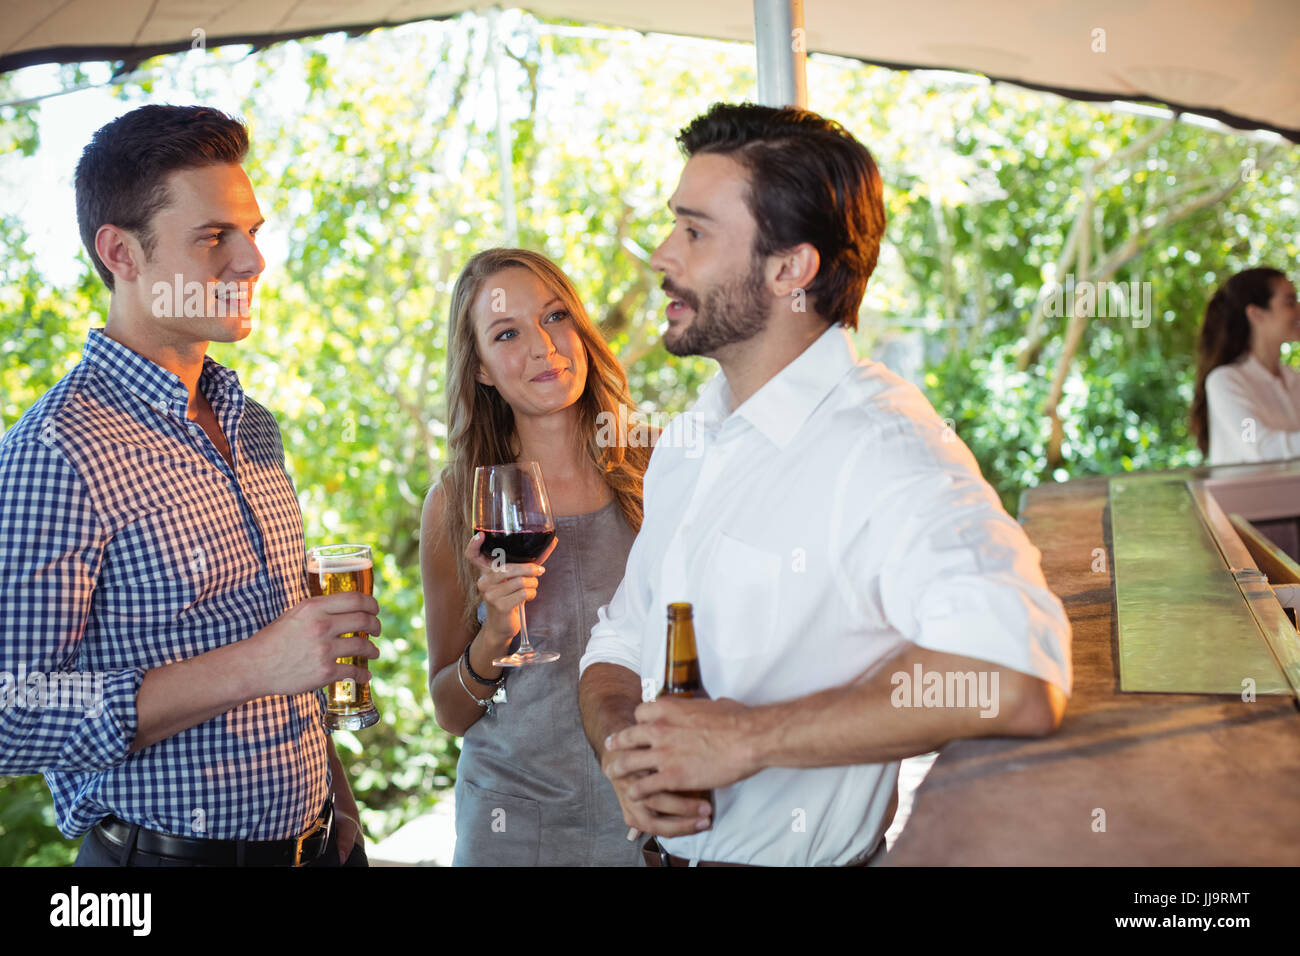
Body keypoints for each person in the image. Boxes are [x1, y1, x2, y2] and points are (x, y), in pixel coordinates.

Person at [578, 102, 1073, 867]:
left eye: (694, 231)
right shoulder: (690, 438)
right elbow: (619, 636)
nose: (661, 254)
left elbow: (1011, 677)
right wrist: (624, 746)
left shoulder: (884, 449)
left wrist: (750, 738)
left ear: (790, 269)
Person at [0, 105, 379, 866]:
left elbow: (293, 657)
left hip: (318, 844)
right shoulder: (58, 448)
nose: (252, 261)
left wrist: (338, 810)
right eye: (214, 237)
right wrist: (257, 663)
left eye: (252, 232)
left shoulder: (253, 424)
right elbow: (11, 713)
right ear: (122, 253)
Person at [421, 248, 654, 865]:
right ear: (482, 372)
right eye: (506, 333)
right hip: (510, 831)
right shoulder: (455, 501)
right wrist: (495, 634)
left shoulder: (659, 466)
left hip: (645, 816)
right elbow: (450, 710)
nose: (543, 348)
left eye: (554, 317)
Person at [1190, 268, 1300, 465]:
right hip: (1246, 497)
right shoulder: (1225, 382)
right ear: (1256, 314)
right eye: (1290, 302)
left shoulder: (1294, 379)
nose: (1299, 309)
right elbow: (1262, 448)